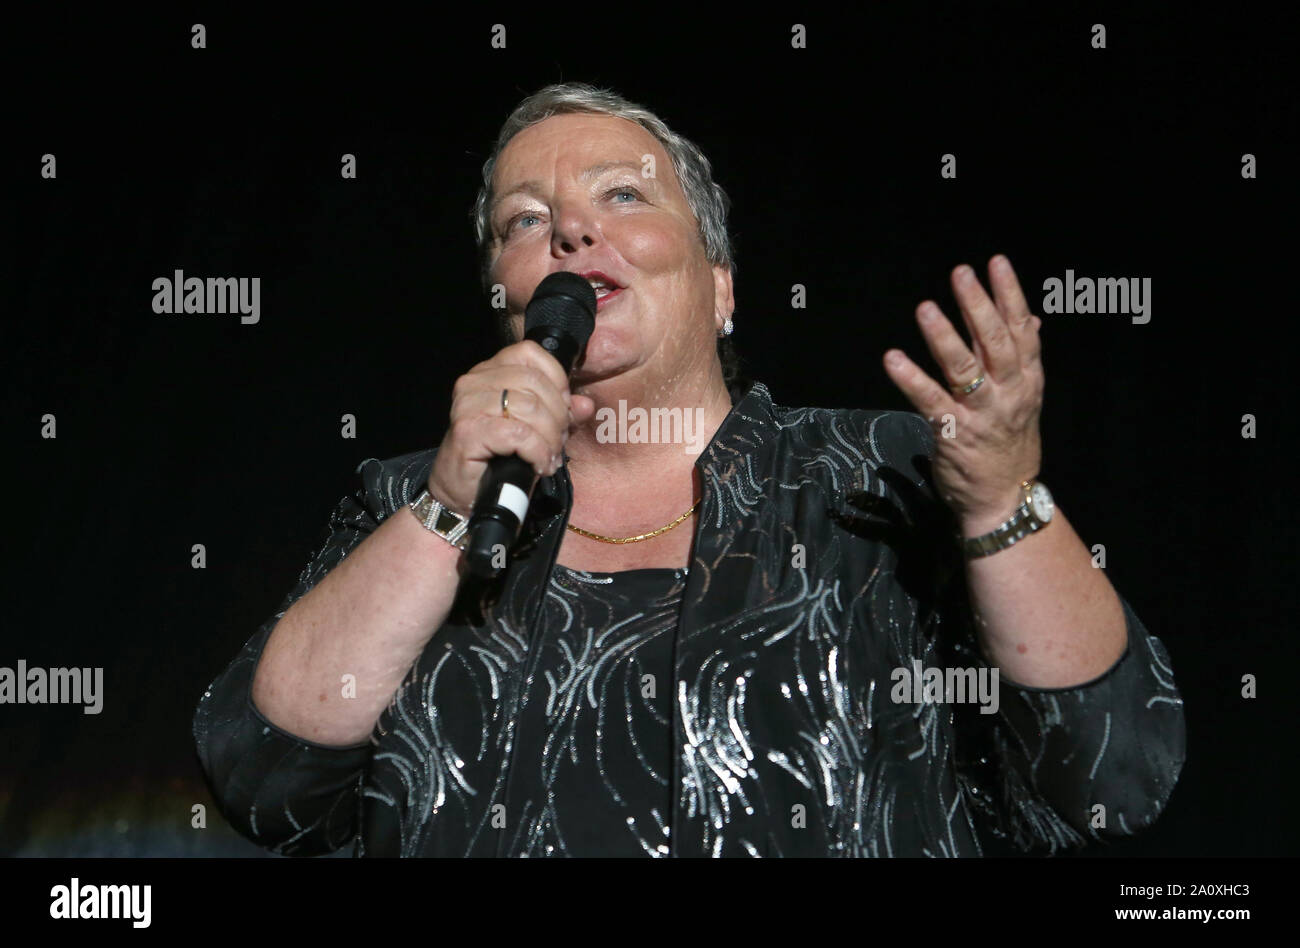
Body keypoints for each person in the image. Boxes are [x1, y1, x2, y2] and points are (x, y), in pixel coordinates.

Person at [192, 82, 1185, 857]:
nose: (571, 231)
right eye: (524, 221)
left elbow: (1111, 777)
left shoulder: (883, 478)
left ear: (720, 288)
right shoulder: (410, 500)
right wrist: (447, 511)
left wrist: (1005, 505)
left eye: (622, 195)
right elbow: (265, 780)